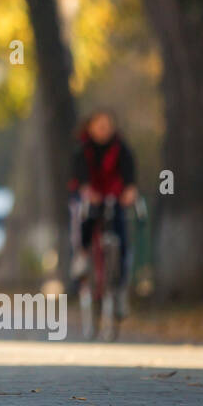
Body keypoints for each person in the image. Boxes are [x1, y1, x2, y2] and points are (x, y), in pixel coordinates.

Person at [68, 111, 137, 317]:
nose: (103, 129)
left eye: (107, 125)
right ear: (90, 127)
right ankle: (81, 256)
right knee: (85, 219)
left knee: (121, 235)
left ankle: (121, 285)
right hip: (90, 197)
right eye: (99, 125)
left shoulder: (121, 149)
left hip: (113, 197)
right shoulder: (82, 149)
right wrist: (86, 190)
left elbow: (129, 173)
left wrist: (129, 190)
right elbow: (79, 175)